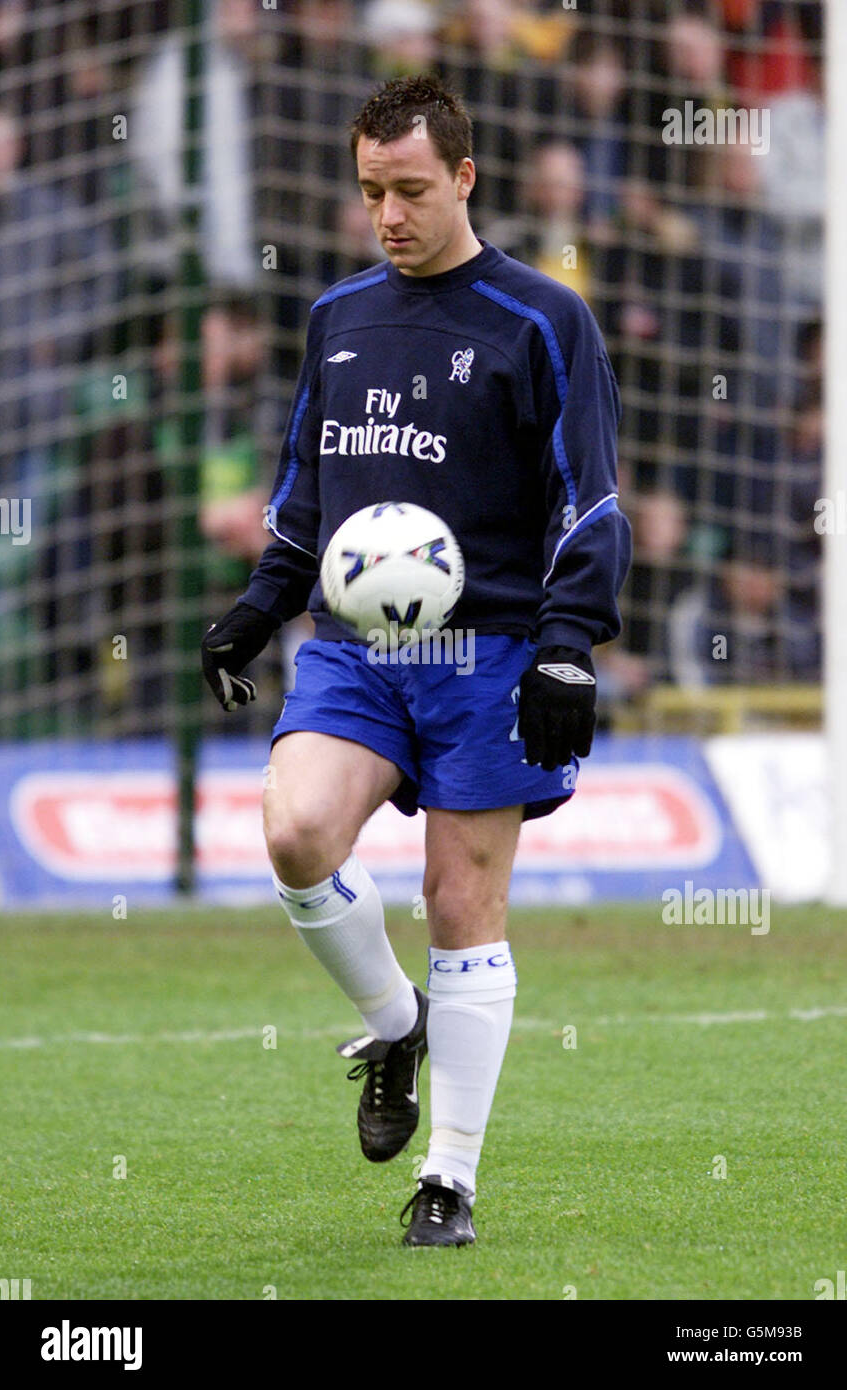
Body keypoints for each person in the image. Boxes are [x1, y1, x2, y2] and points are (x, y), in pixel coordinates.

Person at [201, 74, 631, 1247]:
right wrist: (255, 608)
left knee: (460, 901)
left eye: (409, 190)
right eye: (369, 192)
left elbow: (591, 506)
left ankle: (448, 1181)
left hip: (488, 654)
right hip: (354, 645)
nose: (387, 213)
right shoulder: (338, 318)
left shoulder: (545, 319)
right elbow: (302, 492)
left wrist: (564, 645)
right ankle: (395, 1023)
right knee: (294, 835)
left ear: (464, 178)